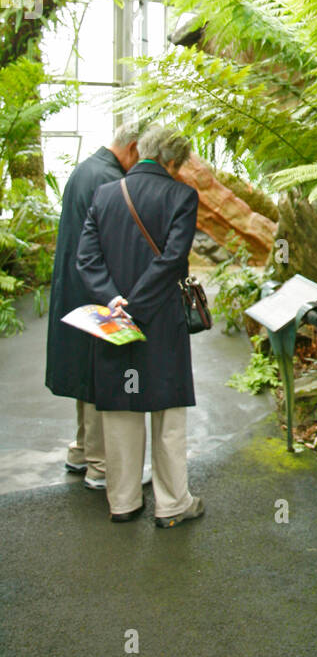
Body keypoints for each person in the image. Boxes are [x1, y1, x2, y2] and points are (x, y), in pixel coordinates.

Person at [76, 124, 204, 527]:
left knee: (120, 409)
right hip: (161, 320)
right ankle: (171, 504)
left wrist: (115, 301)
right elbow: (172, 260)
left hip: (113, 320)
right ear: (172, 161)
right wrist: (139, 304)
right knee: (167, 413)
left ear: (143, 151)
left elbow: (87, 259)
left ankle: (124, 501)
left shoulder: (105, 193)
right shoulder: (182, 196)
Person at [45, 122, 143, 490]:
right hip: (96, 290)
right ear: (132, 147)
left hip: (73, 287)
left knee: (84, 374)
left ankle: (82, 450)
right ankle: (101, 467)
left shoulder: (85, 169)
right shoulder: (109, 179)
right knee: (100, 376)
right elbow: (113, 244)